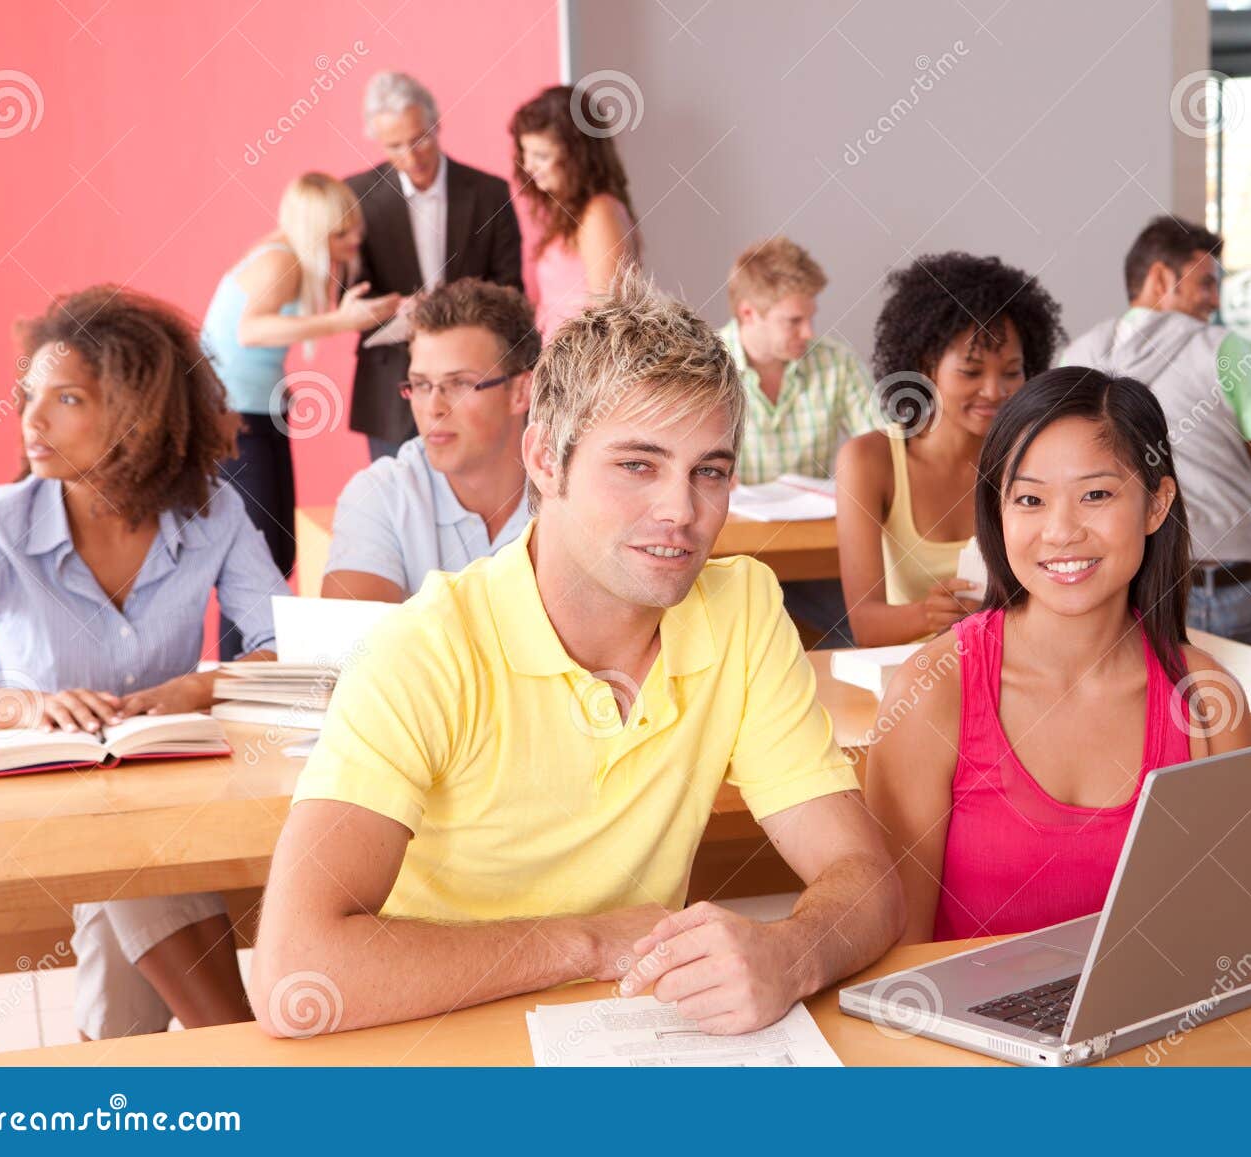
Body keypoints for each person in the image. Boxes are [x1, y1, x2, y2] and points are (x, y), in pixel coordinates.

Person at [249, 272, 903, 1038]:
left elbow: (867, 877)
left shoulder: (743, 609)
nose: (681, 512)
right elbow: (294, 974)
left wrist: (789, 953)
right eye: (638, 464)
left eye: (711, 471)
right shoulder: (422, 648)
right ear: (544, 459)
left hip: (630, 1052)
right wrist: (588, 940)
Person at [0, 287, 289, 1037]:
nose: (32, 421)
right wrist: (21, 706)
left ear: (136, 412)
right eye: (29, 396)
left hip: (167, 793)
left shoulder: (212, 515)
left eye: (66, 398)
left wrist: (200, 686)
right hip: (39, 807)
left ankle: (129, 1084)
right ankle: (249, 1053)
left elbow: (286, 649)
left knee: (135, 884)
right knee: (142, 862)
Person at [866, 368, 1251, 943]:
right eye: (1029, 499)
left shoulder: (1206, 704)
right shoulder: (932, 688)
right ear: (999, 514)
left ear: (1156, 505)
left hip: (1152, 1030)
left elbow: (1226, 942)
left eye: (1095, 495)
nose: (1061, 531)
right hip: (961, 1033)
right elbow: (896, 960)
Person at [1057, 216, 1251, 644]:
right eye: (1206, 283)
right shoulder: (1224, 348)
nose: (1215, 300)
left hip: (1126, 598)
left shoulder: (1077, 355)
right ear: (1160, 277)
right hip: (1231, 597)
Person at [202, 172, 399, 657]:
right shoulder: (282, 261)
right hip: (234, 419)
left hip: (258, 411)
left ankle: (245, 670)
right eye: (340, 234)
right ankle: (237, 677)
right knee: (259, 555)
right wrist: (342, 321)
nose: (354, 242)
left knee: (278, 548)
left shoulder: (286, 257)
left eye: (354, 229)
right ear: (313, 230)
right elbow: (249, 331)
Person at [836, 252, 1064, 647]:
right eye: (971, 372)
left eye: (1012, 372)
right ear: (926, 367)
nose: (995, 391)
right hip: (915, 681)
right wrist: (926, 614)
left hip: (1017, 668)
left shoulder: (1033, 457)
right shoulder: (870, 462)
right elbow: (866, 627)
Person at [321, 279, 538, 602]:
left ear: (521, 391)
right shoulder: (382, 494)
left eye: (459, 383)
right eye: (421, 385)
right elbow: (357, 647)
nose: (434, 408)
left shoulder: (577, 495)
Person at [349, 71, 525, 461]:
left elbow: (511, 288)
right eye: (395, 146)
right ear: (377, 141)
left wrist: (456, 312)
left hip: (475, 380)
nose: (411, 158)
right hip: (388, 387)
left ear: (437, 124)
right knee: (398, 510)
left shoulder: (488, 192)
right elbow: (352, 295)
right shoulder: (357, 196)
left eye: (420, 139)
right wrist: (394, 308)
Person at [719, 236, 877, 648]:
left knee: (866, 631)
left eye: (811, 317)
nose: (809, 332)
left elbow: (884, 449)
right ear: (748, 314)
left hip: (816, 557)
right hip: (730, 560)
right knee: (734, 645)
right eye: (793, 321)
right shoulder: (702, 365)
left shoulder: (834, 363)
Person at [512, 83, 640, 339]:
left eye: (542, 155)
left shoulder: (599, 213)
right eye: (525, 153)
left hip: (584, 371)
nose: (528, 166)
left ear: (576, 156)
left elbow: (610, 318)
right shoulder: (569, 213)